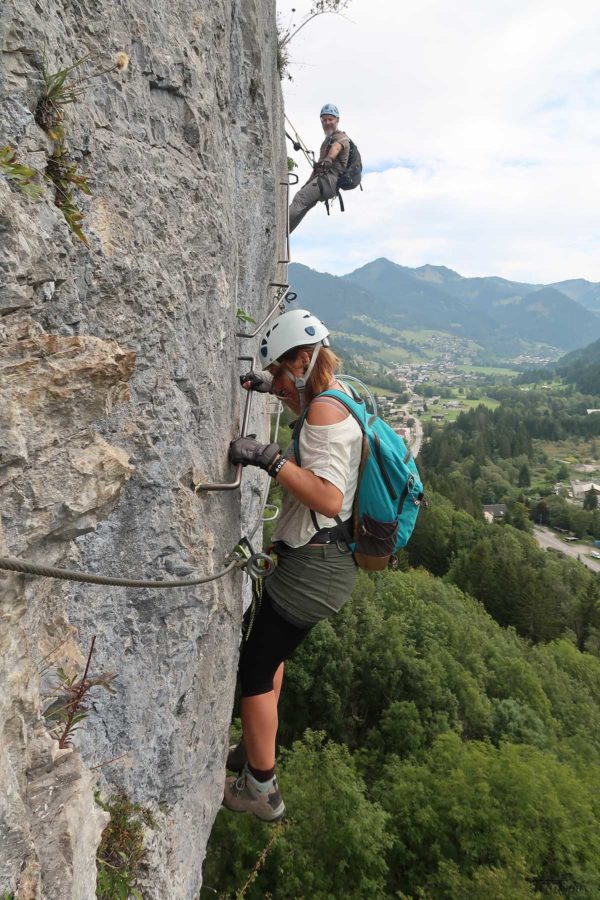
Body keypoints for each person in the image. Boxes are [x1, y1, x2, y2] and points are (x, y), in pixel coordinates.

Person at [223, 309, 362, 821]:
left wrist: (268, 457)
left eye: (283, 374)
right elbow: (301, 402)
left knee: (255, 666)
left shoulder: (324, 411)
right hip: (325, 564)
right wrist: (264, 384)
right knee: (271, 653)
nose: (280, 386)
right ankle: (251, 751)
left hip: (316, 567)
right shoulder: (338, 391)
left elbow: (327, 497)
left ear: (303, 362)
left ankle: (262, 787)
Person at [288, 104, 350, 234]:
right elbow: (318, 169)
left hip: (329, 180)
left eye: (330, 119)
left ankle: (276, 228)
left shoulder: (341, 137)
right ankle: (285, 232)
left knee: (300, 199)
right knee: (303, 207)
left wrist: (329, 159)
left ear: (337, 120)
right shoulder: (327, 141)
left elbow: (336, 148)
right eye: (324, 120)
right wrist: (307, 183)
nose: (327, 122)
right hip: (324, 181)